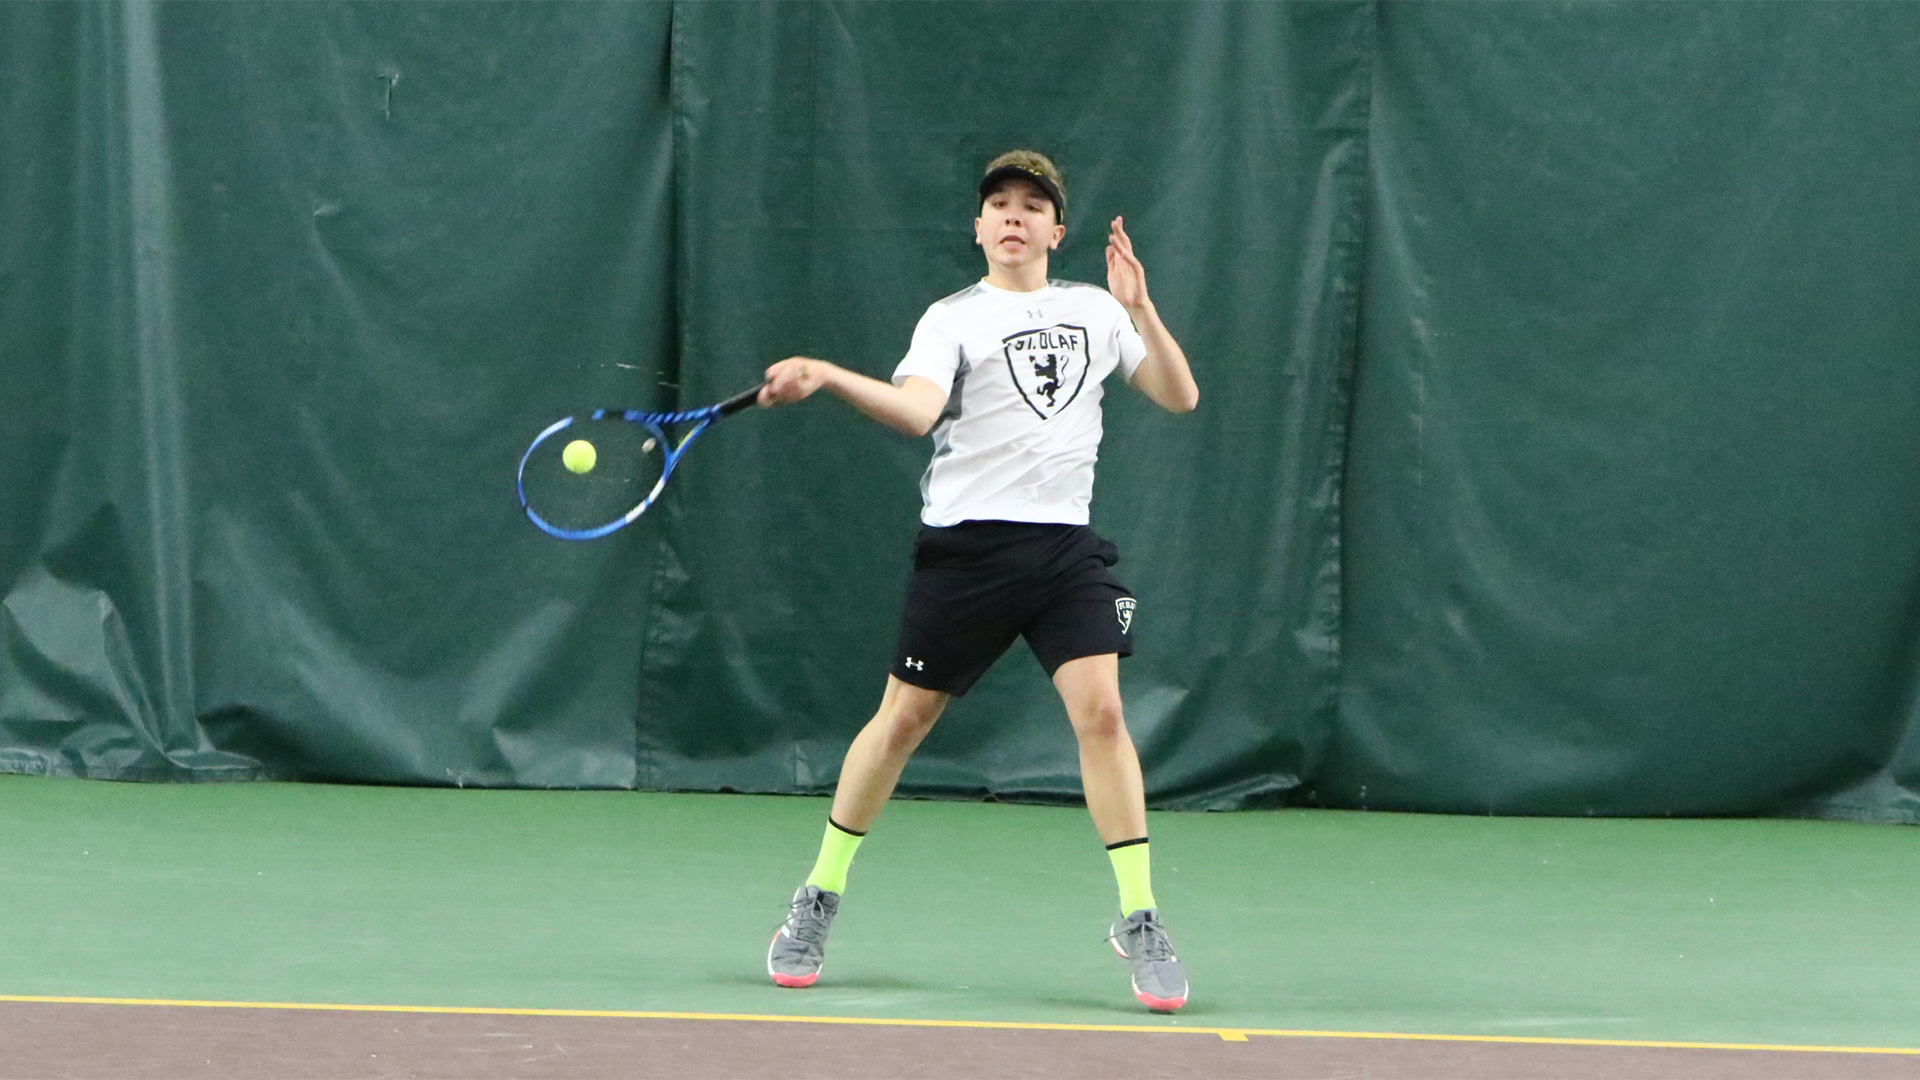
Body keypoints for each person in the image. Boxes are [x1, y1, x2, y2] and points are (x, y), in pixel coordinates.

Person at [754, 150, 1199, 1012]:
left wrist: (1143, 307)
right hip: (965, 554)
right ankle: (818, 895)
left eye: (1032, 206)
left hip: (1066, 554)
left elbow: (1178, 396)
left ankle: (1140, 917)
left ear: (1055, 232)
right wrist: (828, 373)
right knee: (901, 723)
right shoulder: (950, 319)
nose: (1013, 216)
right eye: (998, 204)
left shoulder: (1097, 309)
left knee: (1103, 713)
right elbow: (917, 413)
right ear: (979, 226)